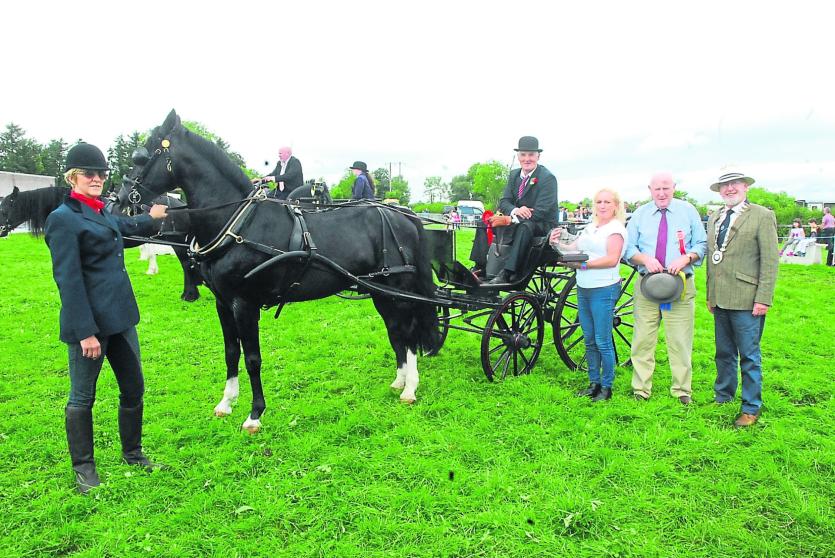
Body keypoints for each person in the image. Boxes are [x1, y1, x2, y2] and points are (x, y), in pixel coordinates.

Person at [44, 143, 169, 494]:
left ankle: (133, 453)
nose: (97, 178)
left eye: (101, 173)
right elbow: (68, 281)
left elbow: (122, 227)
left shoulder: (100, 212)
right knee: (82, 397)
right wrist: (85, 332)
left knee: (134, 388)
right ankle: (84, 469)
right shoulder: (63, 219)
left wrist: (154, 218)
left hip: (121, 318)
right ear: (73, 177)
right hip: (90, 327)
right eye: (89, 173)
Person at [625, 171, 707, 404]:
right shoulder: (640, 214)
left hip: (680, 284)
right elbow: (628, 248)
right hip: (647, 286)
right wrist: (644, 259)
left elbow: (702, 244)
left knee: (680, 339)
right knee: (642, 338)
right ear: (649, 190)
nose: (661, 193)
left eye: (666, 188)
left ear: (674, 188)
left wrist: (686, 258)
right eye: (657, 189)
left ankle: (682, 390)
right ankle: (641, 389)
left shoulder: (688, 211)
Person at [705, 169, 779, 427]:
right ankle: (723, 395)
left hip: (748, 300)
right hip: (721, 299)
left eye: (734, 184)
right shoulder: (715, 216)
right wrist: (710, 294)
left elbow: (770, 262)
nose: (729, 189)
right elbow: (712, 261)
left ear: (746, 186)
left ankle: (751, 407)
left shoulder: (762, 215)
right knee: (723, 353)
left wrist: (764, 298)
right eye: (724, 185)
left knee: (749, 355)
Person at [549, 188, 627, 402]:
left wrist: (583, 265)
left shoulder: (615, 230)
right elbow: (572, 248)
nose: (602, 206)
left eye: (607, 202)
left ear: (615, 206)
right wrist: (556, 243)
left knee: (603, 340)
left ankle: (607, 386)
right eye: (599, 202)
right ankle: (594, 383)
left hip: (604, 288)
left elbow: (612, 259)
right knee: (589, 339)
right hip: (584, 288)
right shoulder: (591, 228)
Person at [486, 136, 558, 284]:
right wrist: (515, 210)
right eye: (523, 154)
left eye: (531, 155)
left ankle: (507, 272)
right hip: (518, 219)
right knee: (486, 221)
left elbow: (540, 212)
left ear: (538, 156)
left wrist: (510, 219)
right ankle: (481, 266)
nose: (527, 159)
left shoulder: (547, 178)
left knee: (525, 227)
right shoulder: (514, 175)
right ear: (518, 156)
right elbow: (504, 201)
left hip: (542, 225)